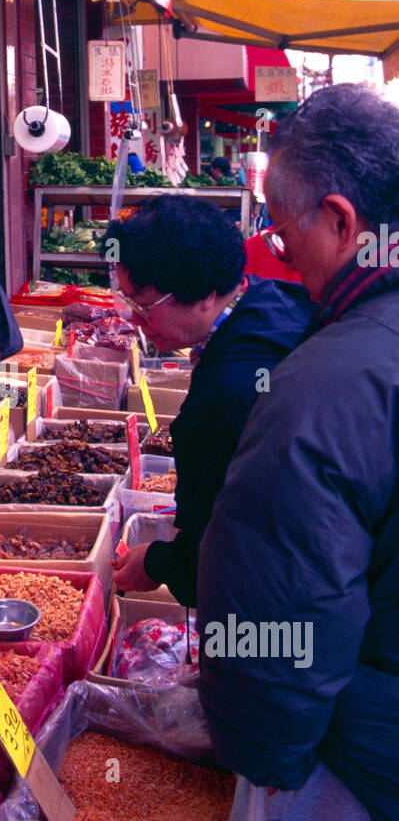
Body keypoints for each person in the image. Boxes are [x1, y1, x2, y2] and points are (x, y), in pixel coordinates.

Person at [197, 83, 399, 821]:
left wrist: (257, 759)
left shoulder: (331, 380)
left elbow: (281, 603)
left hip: (365, 751)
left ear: (339, 219)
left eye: (279, 234)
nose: (275, 257)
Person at [106, 195, 311, 605]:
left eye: (145, 306)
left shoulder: (230, 392)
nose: (133, 320)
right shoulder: (270, 300)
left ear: (205, 292)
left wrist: (161, 563)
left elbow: (234, 546)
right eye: (128, 303)